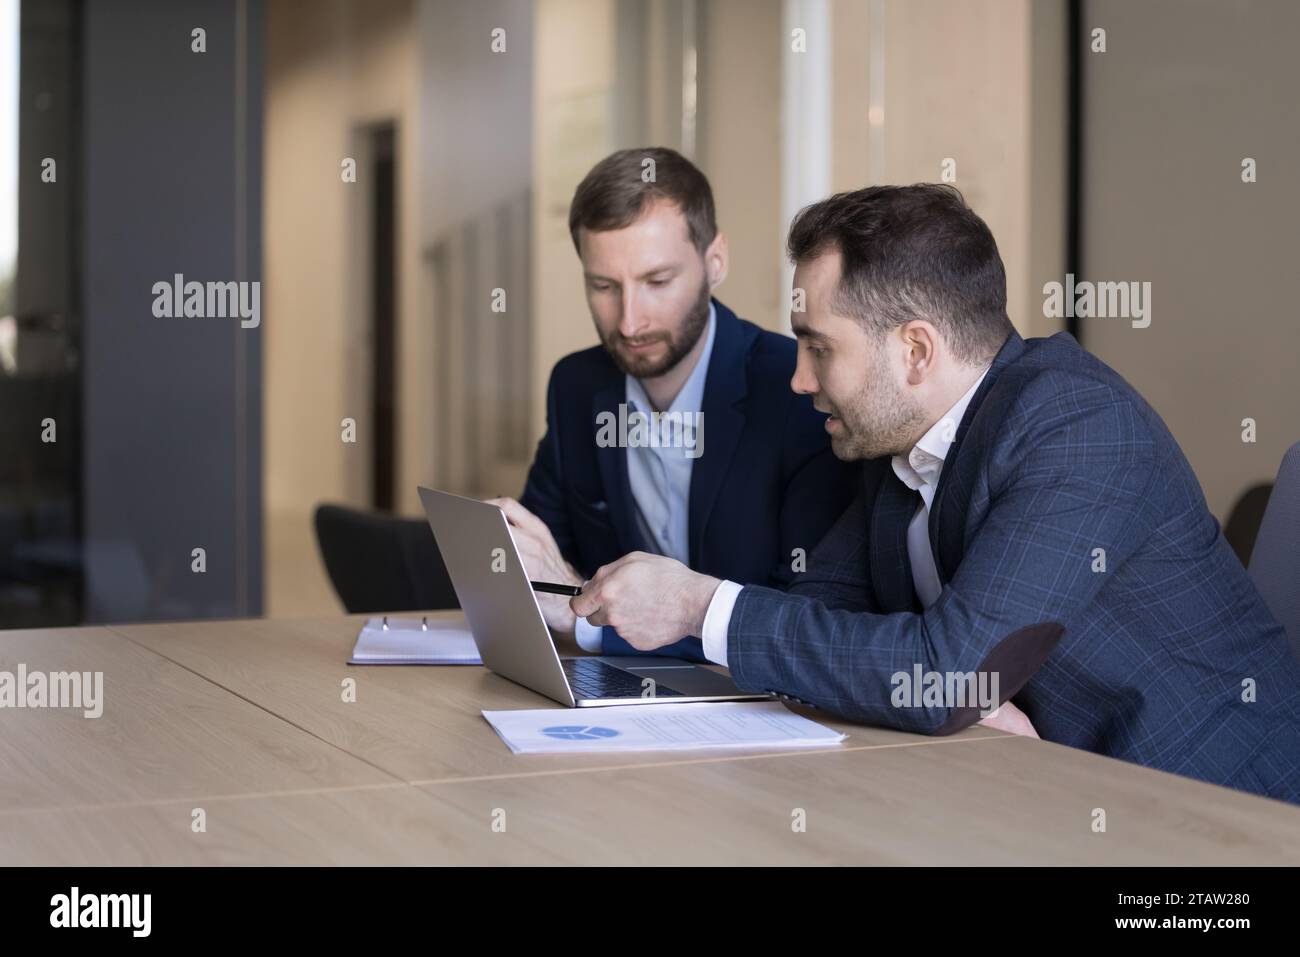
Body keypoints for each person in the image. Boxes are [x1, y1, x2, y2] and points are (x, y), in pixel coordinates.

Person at [570, 183, 1300, 801]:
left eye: (819, 345)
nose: (799, 378)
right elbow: (824, 625)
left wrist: (698, 603)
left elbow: (944, 674)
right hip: (1035, 793)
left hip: (1218, 814)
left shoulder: (1076, 427)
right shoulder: (895, 439)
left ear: (915, 350)